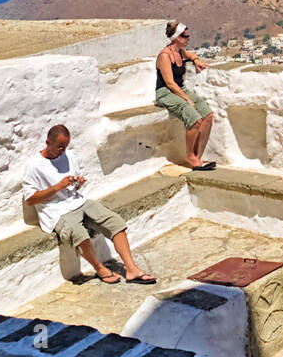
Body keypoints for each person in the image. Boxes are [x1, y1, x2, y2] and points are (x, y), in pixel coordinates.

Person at [22, 125, 156, 285]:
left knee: (115, 222)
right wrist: (57, 187)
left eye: (65, 147)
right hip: (56, 211)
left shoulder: (68, 156)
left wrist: (78, 183)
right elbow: (30, 199)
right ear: (47, 142)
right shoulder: (34, 166)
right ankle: (99, 268)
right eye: (59, 147)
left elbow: (72, 186)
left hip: (78, 202)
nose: (62, 151)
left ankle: (132, 269)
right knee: (79, 234)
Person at [154, 20, 216, 170]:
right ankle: (190, 155)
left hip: (180, 88)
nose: (188, 39)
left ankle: (196, 154)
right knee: (194, 119)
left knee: (207, 115)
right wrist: (186, 99)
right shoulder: (165, 56)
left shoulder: (180, 53)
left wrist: (195, 60)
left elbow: (191, 54)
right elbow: (169, 83)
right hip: (166, 93)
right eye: (185, 37)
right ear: (177, 38)